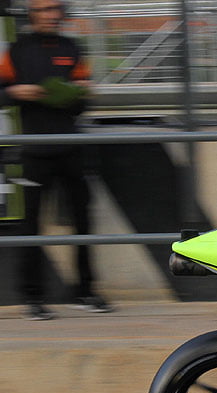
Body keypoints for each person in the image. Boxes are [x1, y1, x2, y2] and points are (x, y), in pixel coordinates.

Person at [0, 0, 111, 319]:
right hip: (34, 152)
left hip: (72, 148)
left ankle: (85, 292)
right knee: (31, 226)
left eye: (54, 9)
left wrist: (82, 92)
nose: (50, 15)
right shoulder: (17, 51)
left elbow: (81, 104)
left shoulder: (72, 47)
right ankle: (32, 298)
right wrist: (16, 93)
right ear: (32, 15)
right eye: (43, 10)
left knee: (83, 223)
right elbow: (1, 92)